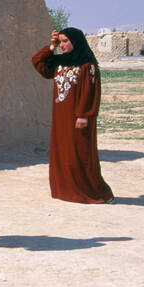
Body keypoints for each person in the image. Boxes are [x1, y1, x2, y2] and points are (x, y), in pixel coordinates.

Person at [30, 27, 114, 203]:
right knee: (63, 152)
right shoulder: (59, 62)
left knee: (80, 153)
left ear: (76, 41)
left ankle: (92, 191)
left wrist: (84, 115)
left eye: (65, 41)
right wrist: (51, 47)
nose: (62, 45)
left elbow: (90, 92)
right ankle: (65, 190)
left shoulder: (87, 65)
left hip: (78, 118)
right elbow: (37, 61)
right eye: (60, 41)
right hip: (61, 117)